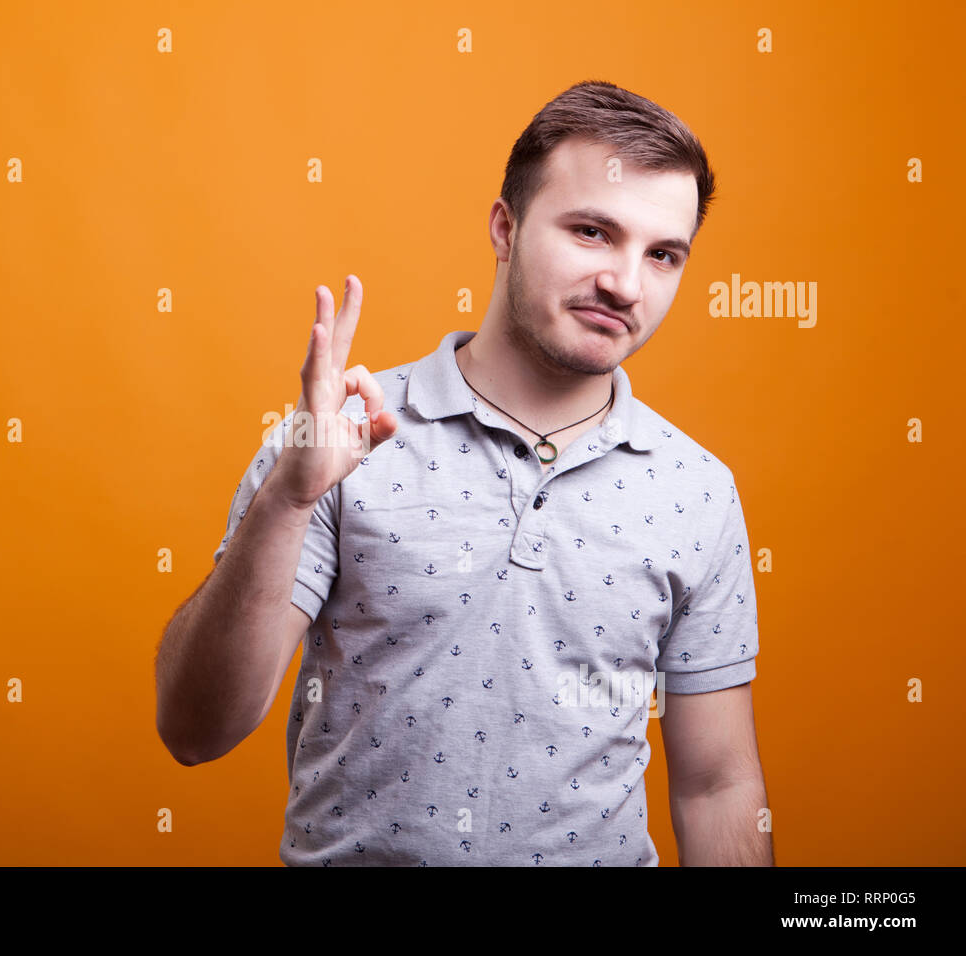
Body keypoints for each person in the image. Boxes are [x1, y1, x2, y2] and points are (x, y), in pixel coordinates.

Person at [156, 79, 772, 866]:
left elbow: (716, 788)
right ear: (505, 228)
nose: (626, 284)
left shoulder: (697, 491)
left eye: (662, 255)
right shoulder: (344, 439)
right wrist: (288, 496)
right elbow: (194, 729)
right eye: (591, 232)